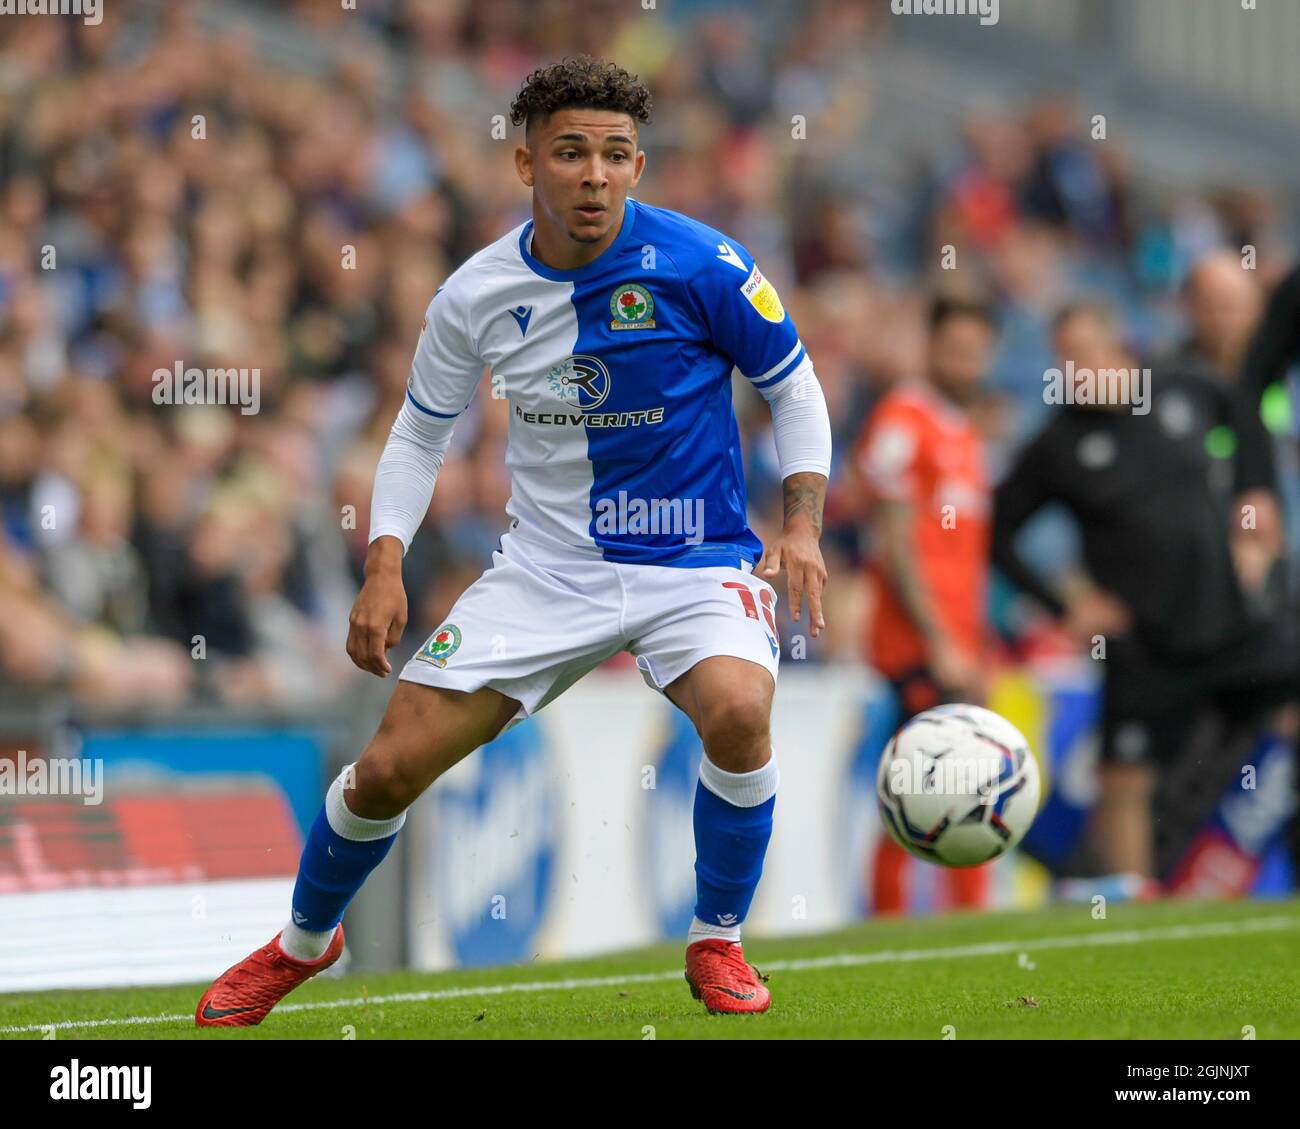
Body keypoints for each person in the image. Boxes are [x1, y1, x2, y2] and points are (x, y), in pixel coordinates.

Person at [195, 56, 832, 1025]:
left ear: (638, 165)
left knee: (741, 709)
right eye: (571, 152)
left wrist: (802, 525)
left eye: (616, 155)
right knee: (387, 769)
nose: (595, 175)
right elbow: (418, 431)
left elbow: (792, 383)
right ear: (524, 162)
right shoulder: (473, 295)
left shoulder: (707, 264)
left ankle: (717, 938)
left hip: (694, 563)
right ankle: (302, 944)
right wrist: (384, 562)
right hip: (546, 572)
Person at [993, 301, 1296, 880]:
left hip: (1233, 619)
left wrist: (1255, 499)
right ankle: (1130, 910)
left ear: (1119, 347)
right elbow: (997, 532)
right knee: (1123, 781)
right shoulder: (1058, 446)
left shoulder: (1186, 388)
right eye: (1063, 359)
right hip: (1144, 644)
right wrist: (1067, 607)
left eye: (1084, 354)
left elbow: (1250, 415)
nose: (1073, 370)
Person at [854, 295, 998, 913]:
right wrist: (938, 638)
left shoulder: (965, 430)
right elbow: (896, 540)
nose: (964, 360)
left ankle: (961, 913)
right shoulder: (904, 419)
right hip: (916, 642)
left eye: (975, 349)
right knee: (922, 785)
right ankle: (901, 913)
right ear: (931, 347)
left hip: (960, 639)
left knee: (959, 781)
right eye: (954, 347)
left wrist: (971, 639)